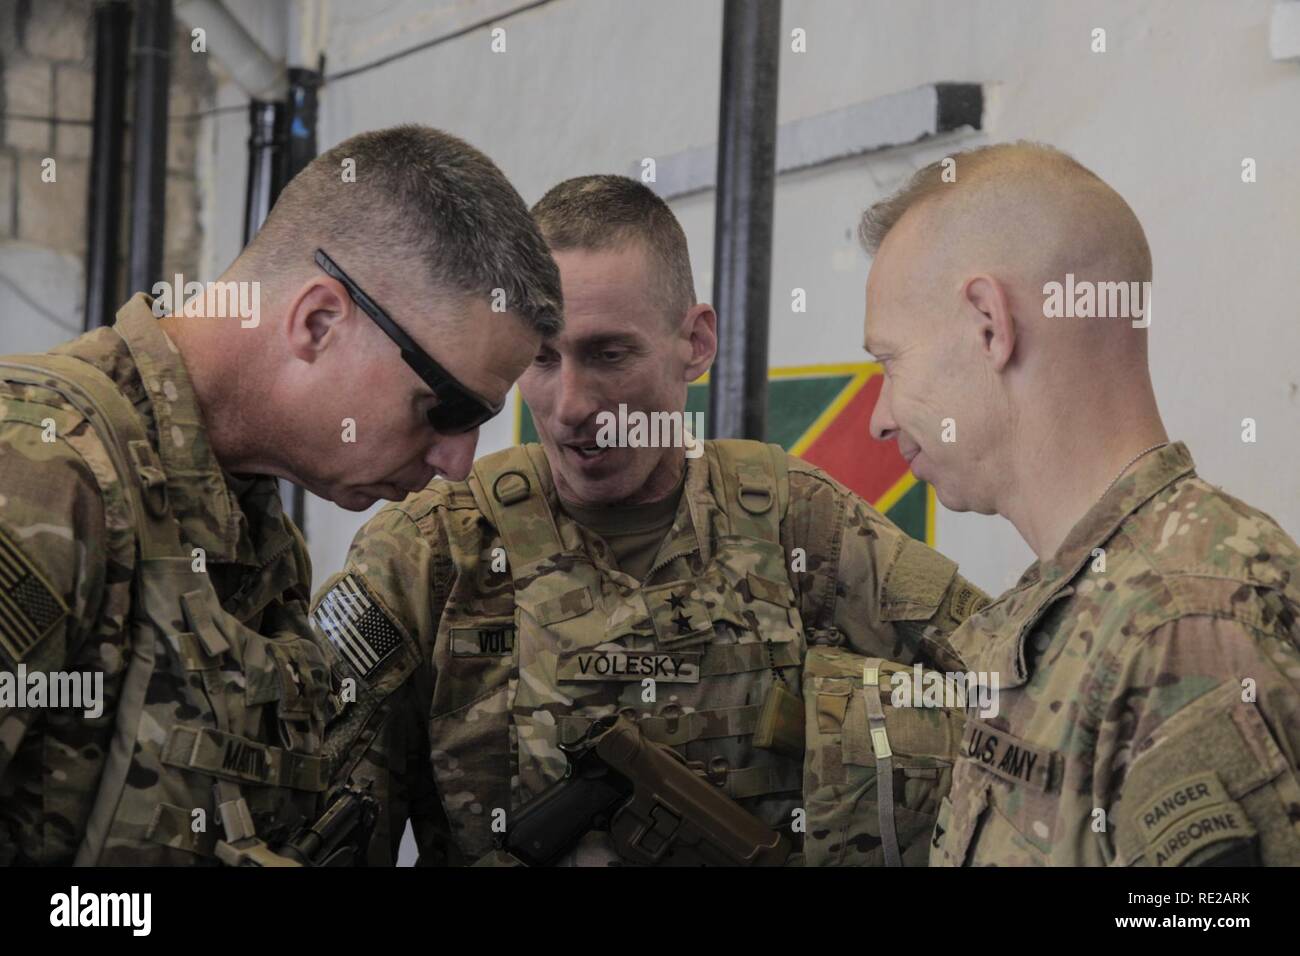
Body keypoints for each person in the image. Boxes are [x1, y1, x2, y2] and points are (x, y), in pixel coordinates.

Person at [313, 174, 988, 866]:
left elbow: (1011, 688)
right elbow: (325, 822)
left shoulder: (798, 522)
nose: (572, 405)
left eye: (609, 354)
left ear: (694, 343)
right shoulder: (430, 553)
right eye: (542, 358)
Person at [0, 124, 562, 865]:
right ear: (319, 320)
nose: (458, 464)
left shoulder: (253, 535)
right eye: (445, 409)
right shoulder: (43, 474)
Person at [860, 141, 1300, 866]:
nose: (879, 416)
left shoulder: (1184, 627)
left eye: (890, 361)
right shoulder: (1077, 609)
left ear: (989, 325)